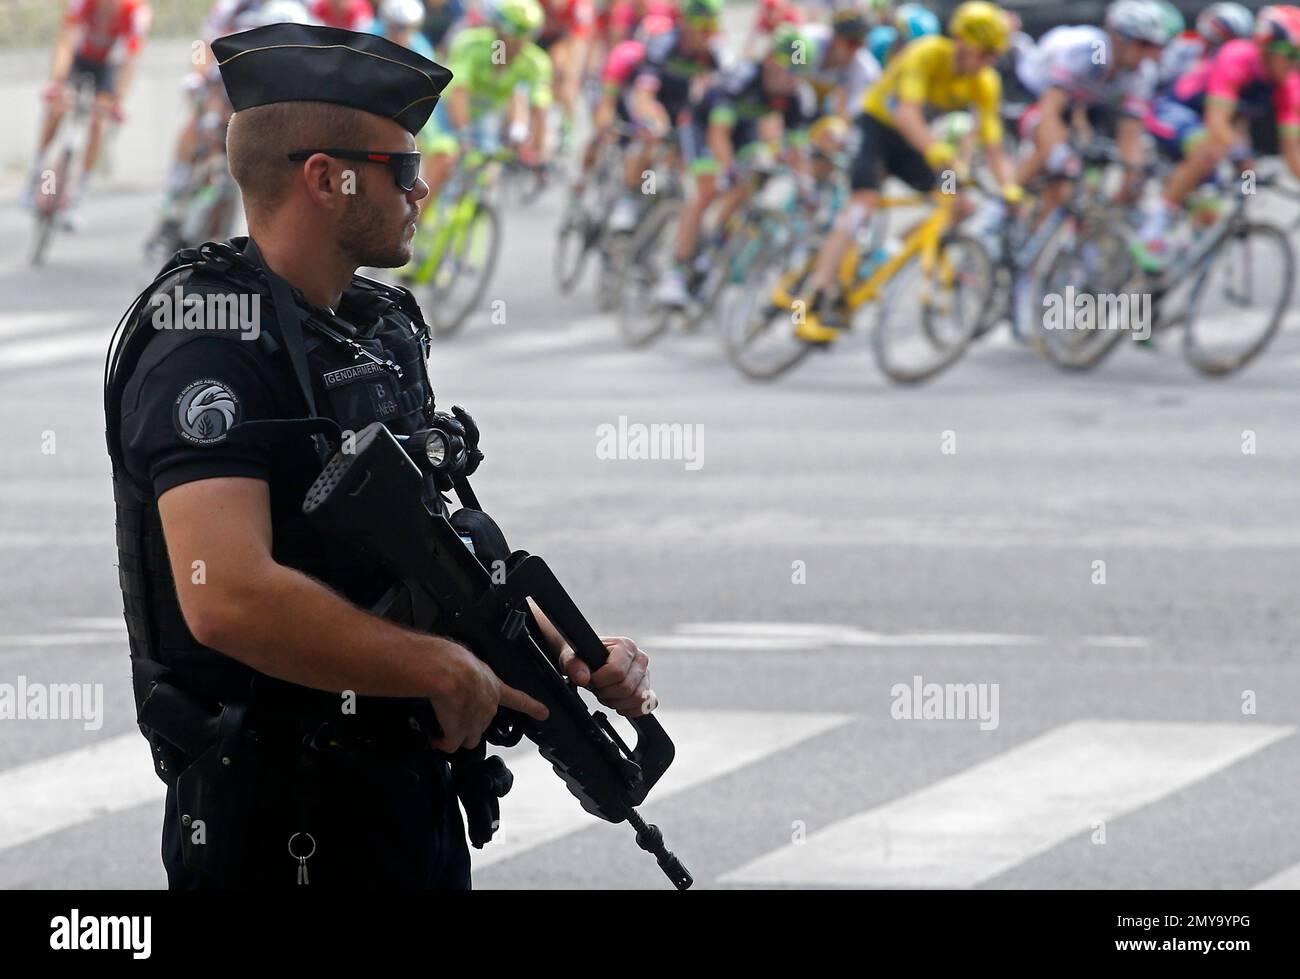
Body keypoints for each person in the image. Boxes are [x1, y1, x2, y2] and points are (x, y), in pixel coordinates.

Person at [105, 20, 656, 889]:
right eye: (402, 169)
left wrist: (563, 650)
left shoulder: (374, 326)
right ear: (327, 178)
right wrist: (433, 666)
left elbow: (425, 549)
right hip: (274, 815)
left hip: (404, 799)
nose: (423, 189)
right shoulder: (205, 342)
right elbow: (228, 594)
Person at [794, 0, 1021, 343]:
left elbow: (994, 145)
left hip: (917, 143)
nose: (988, 62)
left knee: (958, 204)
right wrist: (934, 149)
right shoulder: (926, 54)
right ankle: (814, 295)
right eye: (983, 53)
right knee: (863, 202)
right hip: (877, 128)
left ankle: (887, 250)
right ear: (961, 41)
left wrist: (1010, 188)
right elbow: (906, 114)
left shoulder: (985, 82)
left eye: (994, 55)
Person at [1138, 4, 1300, 263]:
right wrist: (1242, 156)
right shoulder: (1238, 56)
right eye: (1289, 53)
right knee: (1210, 150)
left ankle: (1165, 267)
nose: (1294, 63)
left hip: (1210, 129)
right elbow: (1217, 122)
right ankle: (1152, 232)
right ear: (1266, 46)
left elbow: (1292, 149)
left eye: (1299, 57)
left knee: (1210, 215)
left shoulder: (1290, 86)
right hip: (1173, 111)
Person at [25, 0, 152, 224]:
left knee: (97, 123)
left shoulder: (137, 13)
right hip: (79, 58)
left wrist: (117, 101)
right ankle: (36, 171)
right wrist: (57, 82)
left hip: (107, 66)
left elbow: (131, 60)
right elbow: (65, 41)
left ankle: (78, 194)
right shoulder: (83, 3)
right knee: (58, 108)